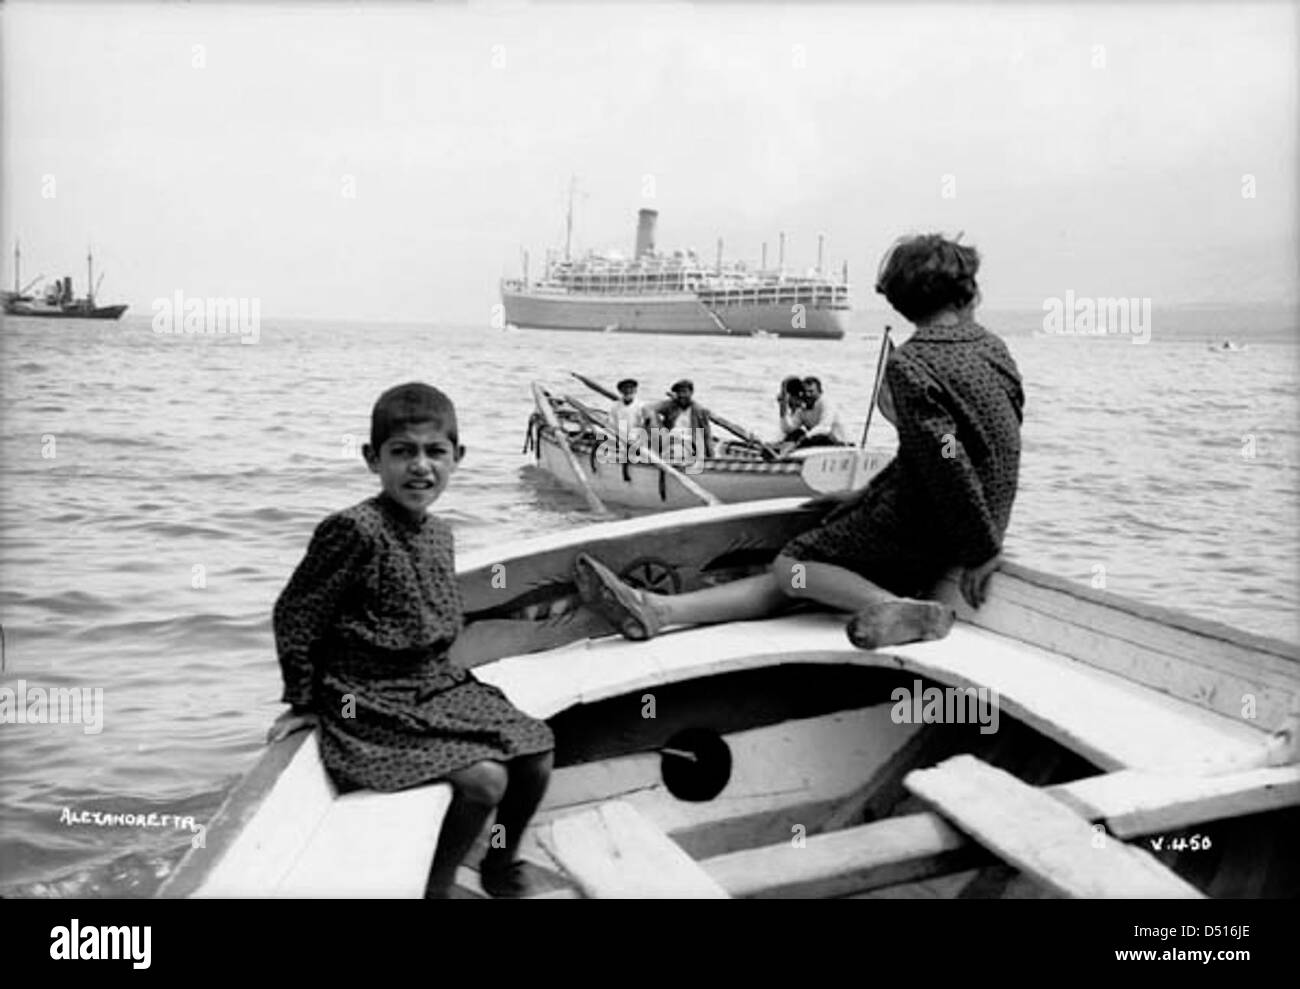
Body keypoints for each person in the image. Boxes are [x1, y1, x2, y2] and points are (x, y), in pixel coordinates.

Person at [573, 232, 1023, 650]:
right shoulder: (993, 349)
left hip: (945, 526)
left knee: (796, 567)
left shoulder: (912, 363)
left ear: (903, 301)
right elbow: (990, 449)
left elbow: (947, 460)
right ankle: (659, 611)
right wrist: (867, 495)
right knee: (794, 577)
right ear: (965, 289)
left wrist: (981, 549)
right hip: (974, 519)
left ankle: (900, 612)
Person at [267, 382, 554, 899]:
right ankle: (435, 889)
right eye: (402, 452)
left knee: (537, 751)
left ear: (457, 458)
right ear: (372, 459)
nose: (420, 467)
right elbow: (296, 614)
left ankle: (499, 859)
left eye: (434, 452)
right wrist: (303, 700)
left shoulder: (439, 531)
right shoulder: (353, 529)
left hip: (432, 684)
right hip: (368, 697)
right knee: (486, 780)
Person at [647, 379, 715, 461]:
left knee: (674, 452)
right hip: (668, 440)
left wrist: (711, 457)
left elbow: (707, 435)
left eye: (684, 392)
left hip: (688, 443)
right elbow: (648, 408)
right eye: (679, 393)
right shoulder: (671, 406)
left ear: (691, 392)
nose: (682, 395)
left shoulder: (699, 410)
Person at [782, 376, 848, 451]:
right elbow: (788, 429)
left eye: (811, 391)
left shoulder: (826, 403)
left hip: (837, 444)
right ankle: (781, 452)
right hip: (815, 442)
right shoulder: (802, 409)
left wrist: (805, 437)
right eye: (805, 391)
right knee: (797, 433)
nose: (808, 395)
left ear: (820, 392)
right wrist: (782, 411)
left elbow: (825, 428)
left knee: (817, 436)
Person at [609, 378, 647, 443]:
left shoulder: (641, 406)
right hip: (619, 438)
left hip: (636, 440)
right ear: (620, 391)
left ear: (635, 390)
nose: (628, 390)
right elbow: (611, 424)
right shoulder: (615, 406)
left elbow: (644, 427)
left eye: (631, 388)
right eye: (625, 388)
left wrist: (635, 440)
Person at [776, 376, 806, 442]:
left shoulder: (803, 413)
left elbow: (787, 429)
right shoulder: (792, 413)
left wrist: (782, 406)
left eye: (783, 393)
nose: (779, 396)